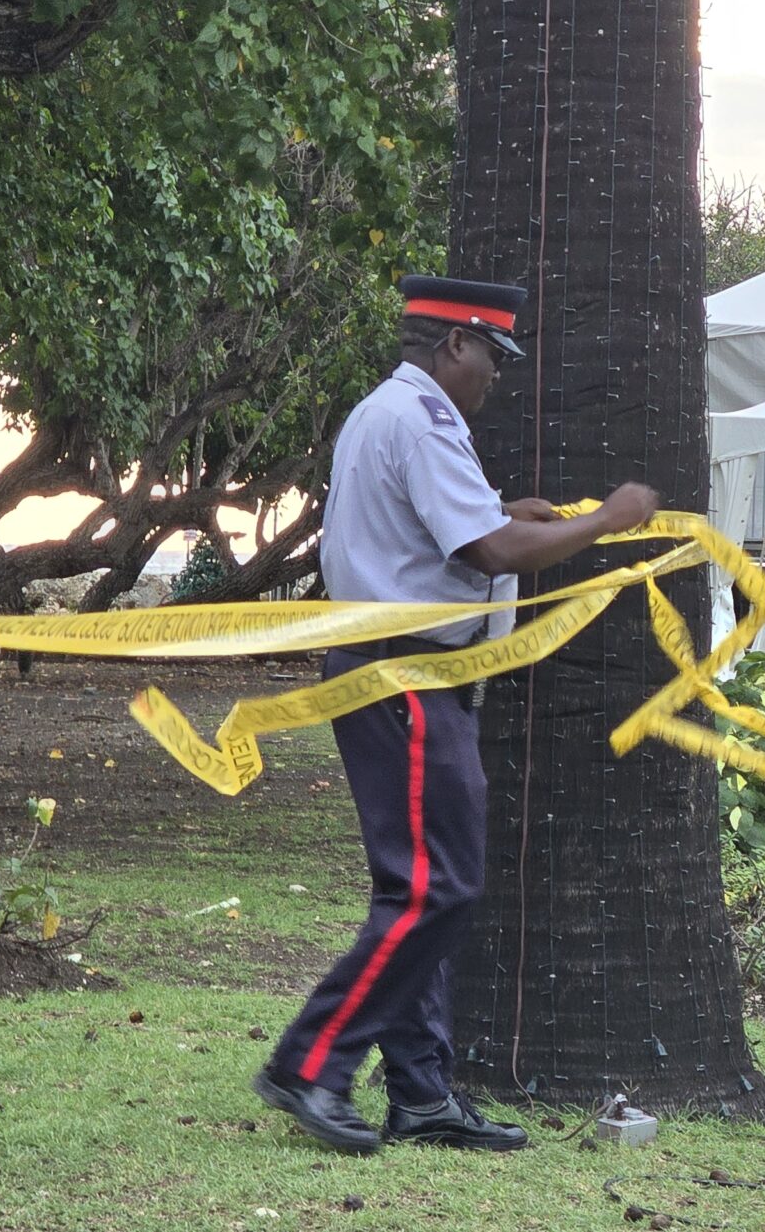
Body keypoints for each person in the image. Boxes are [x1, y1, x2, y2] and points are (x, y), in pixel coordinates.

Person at [252, 275, 660, 1157]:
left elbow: (447, 531)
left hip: (411, 677)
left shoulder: (387, 414)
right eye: (492, 356)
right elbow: (488, 550)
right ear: (453, 346)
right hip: (405, 680)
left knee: (424, 891)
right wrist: (612, 518)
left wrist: (503, 511)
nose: (496, 377)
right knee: (436, 888)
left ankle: (423, 1092)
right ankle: (309, 1063)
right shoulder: (425, 419)